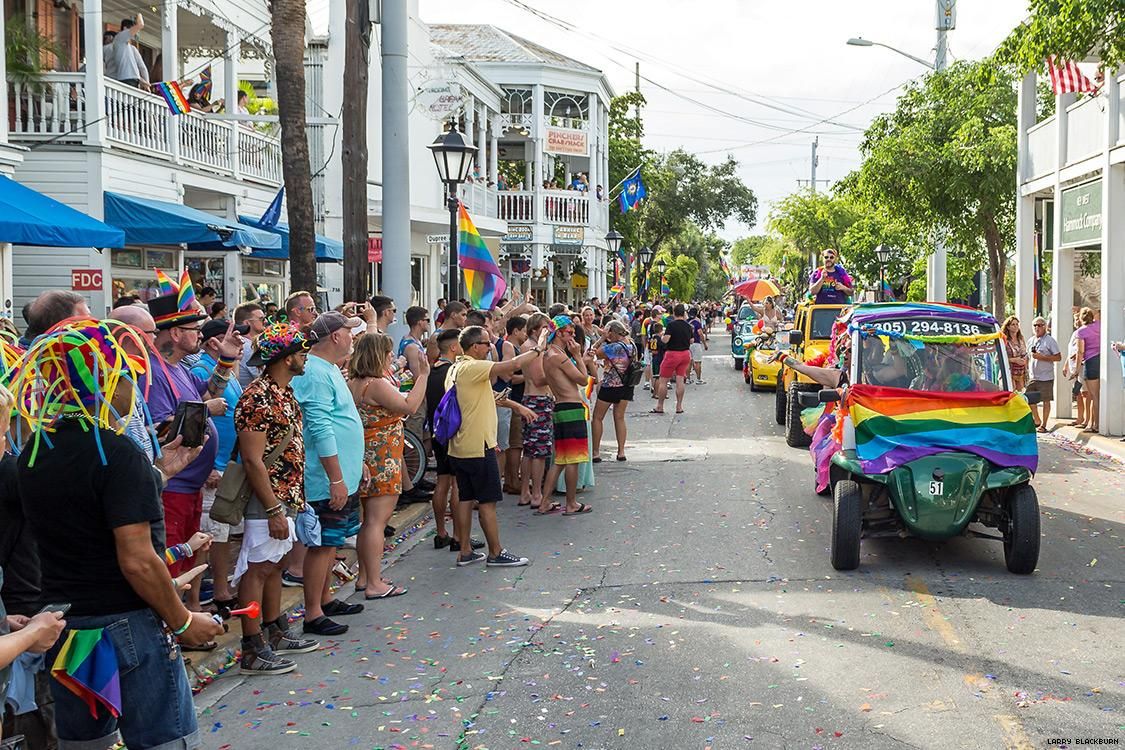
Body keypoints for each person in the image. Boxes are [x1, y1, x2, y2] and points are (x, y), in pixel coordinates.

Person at [14, 320, 223, 749]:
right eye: (129, 375)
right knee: (164, 742)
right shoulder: (115, 451)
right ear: (109, 380)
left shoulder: (35, 452)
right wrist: (183, 621)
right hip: (125, 627)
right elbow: (137, 559)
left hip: (66, 628)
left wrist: (159, 472)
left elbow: (87, 509)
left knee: (86, 745)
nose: (136, 388)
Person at [145, 289, 243, 615]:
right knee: (172, 561)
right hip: (173, 486)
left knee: (187, 555)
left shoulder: (180, 368)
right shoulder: (155, 372)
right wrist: (205, 409)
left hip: (191, 485)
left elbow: (211, 390)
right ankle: (176, 626)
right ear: (174, 333)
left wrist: (226, 358)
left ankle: (184, 620)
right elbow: (162, 429)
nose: (199, 335)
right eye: (193, 330)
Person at [233, 323, 320, 674]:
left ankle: (274, 629)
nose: (305, 356)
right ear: (283, 358)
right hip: (267, 499)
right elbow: (253, 460)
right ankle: (252, 646)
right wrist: (272, 508)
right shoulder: (258, 397)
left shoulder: (284, 393)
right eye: (300, 350)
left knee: (276, 564)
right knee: (257, 569)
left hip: (286, 495)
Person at [291, 311, 367, 636]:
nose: (353, 338)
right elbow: (320, 428)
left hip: (342, 475)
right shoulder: (314, 372)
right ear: (335, 336)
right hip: (325, 479)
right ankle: (312, 613)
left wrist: (355, 463)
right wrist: (336, 477)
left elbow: (341, 420)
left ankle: (324, 598)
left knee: (332, 542)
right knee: (321, 545)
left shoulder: (330, 369)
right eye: (349, 332)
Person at [446, 325, 546, 565]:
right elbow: (511, 366)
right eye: (485, 342)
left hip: (460, 445)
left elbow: (484, 397)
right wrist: (539, 346)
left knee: (466, 498)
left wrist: (516, 406)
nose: (490, 346)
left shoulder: (455, 368)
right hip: (478, 445)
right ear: (473, 347)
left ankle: (465, 550)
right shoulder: (473, 366)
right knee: (487, 501)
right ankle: (495, 552)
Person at [348, 333, 428, 598]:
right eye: (387, 352)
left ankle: (364, 577)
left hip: (366, 454)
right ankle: (374, 583)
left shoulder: (353, 382)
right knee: (376, 522)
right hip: (382, 457)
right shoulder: (376, 383)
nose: (391, 357)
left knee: (367, 521)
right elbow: (410, 406)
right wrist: (423, 376)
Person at [190, 319, 249, 612]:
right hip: (214, 465)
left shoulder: (226, 369)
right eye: (233, 338)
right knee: (211, 535)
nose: (240, 343)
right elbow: (196, 418)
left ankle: (223, 589)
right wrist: (207, 464)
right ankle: (203, 598)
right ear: (214, 343)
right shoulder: (201, 369)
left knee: (224, 532)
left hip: (229, 460)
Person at [541, 316, 596, 516]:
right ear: (560, 332)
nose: (573, 336)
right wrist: (579, 356)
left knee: (561, 460)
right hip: (571, 407)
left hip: (560, 406)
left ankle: (545, 501)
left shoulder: (548, 354)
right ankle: (571, 503)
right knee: (572, 460)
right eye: (570, 332)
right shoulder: (559, 356)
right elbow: (583, 379)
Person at [426, 329, 473, 550]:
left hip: (437, 430)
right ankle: (457, 536)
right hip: (453, 431)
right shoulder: (453, 371)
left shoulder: (431, 371)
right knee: (457, 485)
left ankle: (440, 532)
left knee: (442, 481)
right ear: (454, 347)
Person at [519, 313, 555, 511]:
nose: (548, 331)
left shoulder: (531, 348)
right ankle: (536, 494)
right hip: (537, 400)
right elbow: (539, 378)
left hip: (533, 399)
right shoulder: (532, 349)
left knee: (530, 450)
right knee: (539, 452)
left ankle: (526, 491)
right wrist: (558, 374)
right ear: (534, 330)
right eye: (544, 328)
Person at [592, 320, 636, 462]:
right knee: (620, 417)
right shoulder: (632, 345)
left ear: (612, 332)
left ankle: (596, 452)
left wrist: (602, 338)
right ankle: (621, 451)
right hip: (627, 384)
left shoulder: (613, 347)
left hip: (611, 384)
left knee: (598, 418)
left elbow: (593, 353)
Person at [655, 305, 693, 414]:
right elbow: (691, 340)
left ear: (674, 313)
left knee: (663, 380)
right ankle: (679, 406)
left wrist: (661, 337)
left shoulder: (671, 325)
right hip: (685, 354)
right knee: (680, 380)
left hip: (672, 354)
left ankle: (660, 406)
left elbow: (666, 340)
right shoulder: (688, 326)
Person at [1026, 316, 1061, 433]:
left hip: (1046, 376)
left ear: (1045, 327)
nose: (1037, 328)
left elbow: (1058, 357)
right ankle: (1037, 419)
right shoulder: (1031, 341)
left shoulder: (1050, 341)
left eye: (1040, 325)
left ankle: (1044, 425)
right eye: (1035, 325)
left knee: (1046, 400)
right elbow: (1027, 357)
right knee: (1029, 399)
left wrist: (1043, 357)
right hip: (1033, 376)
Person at [1074, 307, 1101, 433]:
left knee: (1093, 396)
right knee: (1099, 394)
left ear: (1081, 318)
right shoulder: (1099, 325)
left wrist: (1076, 369)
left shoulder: (1081, 332)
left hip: (1090, 362)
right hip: (1102, 360)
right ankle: (1096, 422)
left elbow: (1080, 352)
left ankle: (1095, 424)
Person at [234, 301, 269, 388]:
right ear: (247, 323)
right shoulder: (246, 346)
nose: (266, 321)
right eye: (261, 319)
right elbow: (266, 378)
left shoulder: (247, 344)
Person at [109, 14, 145, 88]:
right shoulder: (120, 37)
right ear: (125, 28)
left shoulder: (128, 47)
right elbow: (140, 25)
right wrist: (139, 15)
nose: (134, 33)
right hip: (126, 79)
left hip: (132, 79)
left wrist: (143, 80)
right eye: (132, 29)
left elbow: (134, 68)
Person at [1001, 316, 1029, 391]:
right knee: (1011, 394)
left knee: (1020, 395)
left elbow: (1025, 353)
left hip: (1021, 372)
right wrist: (1014, 360)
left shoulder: (1021, 339)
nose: (1016, 326)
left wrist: (1025, 360)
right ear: (1008, 327)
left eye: (1017, 324)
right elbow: (998, 359)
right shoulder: (1004, 340)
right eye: (1013, 324)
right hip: (1009, 372)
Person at [687, 306, 708, 385]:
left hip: (687, 344)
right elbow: (700, 334)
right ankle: (698, 379)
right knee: (697, 362)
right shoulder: (697, 323)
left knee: (689, 362)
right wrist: (705, 344)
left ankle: (688, 379)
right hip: (696, 343)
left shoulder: (686, 322)